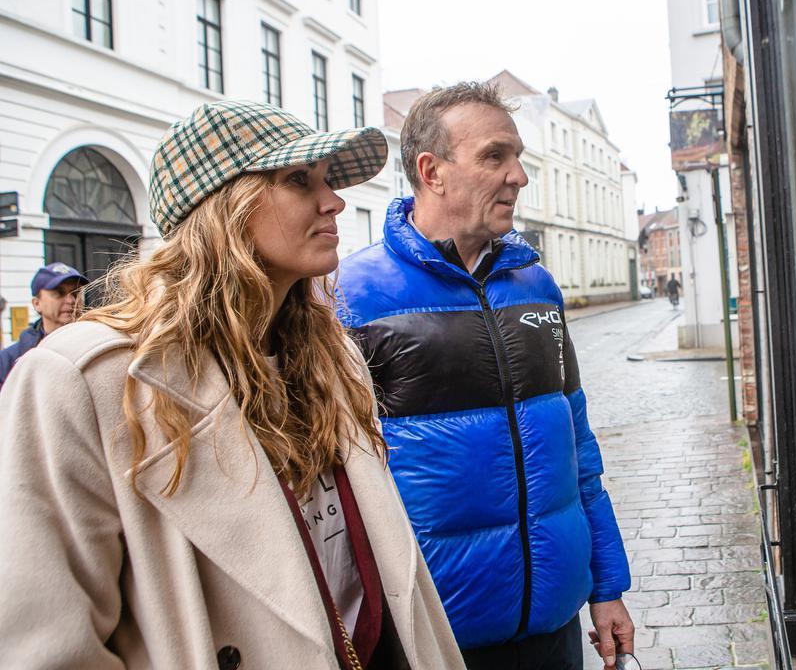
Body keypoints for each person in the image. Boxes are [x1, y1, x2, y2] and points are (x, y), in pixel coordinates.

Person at [0, 101, 464, 669]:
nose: (335, 201)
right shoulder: (82, 379)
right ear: (225, 206)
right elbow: (47, 645)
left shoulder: (334, 357)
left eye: (327, 180)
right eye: (300, 180)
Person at [337, 82, 634, 670]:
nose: (518, 176)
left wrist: (607, 585)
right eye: (495, 156)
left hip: (554, 628)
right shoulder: (350, 295)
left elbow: (578, 449)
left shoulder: (537, 287)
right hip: (435, 637)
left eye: (517, 157)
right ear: (432, 171)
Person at [0, 262, 87, 387]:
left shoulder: (96, 344)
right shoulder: (9, 360)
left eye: (76, 293)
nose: (71, 300)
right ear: (37, 304)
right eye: (59, 293)